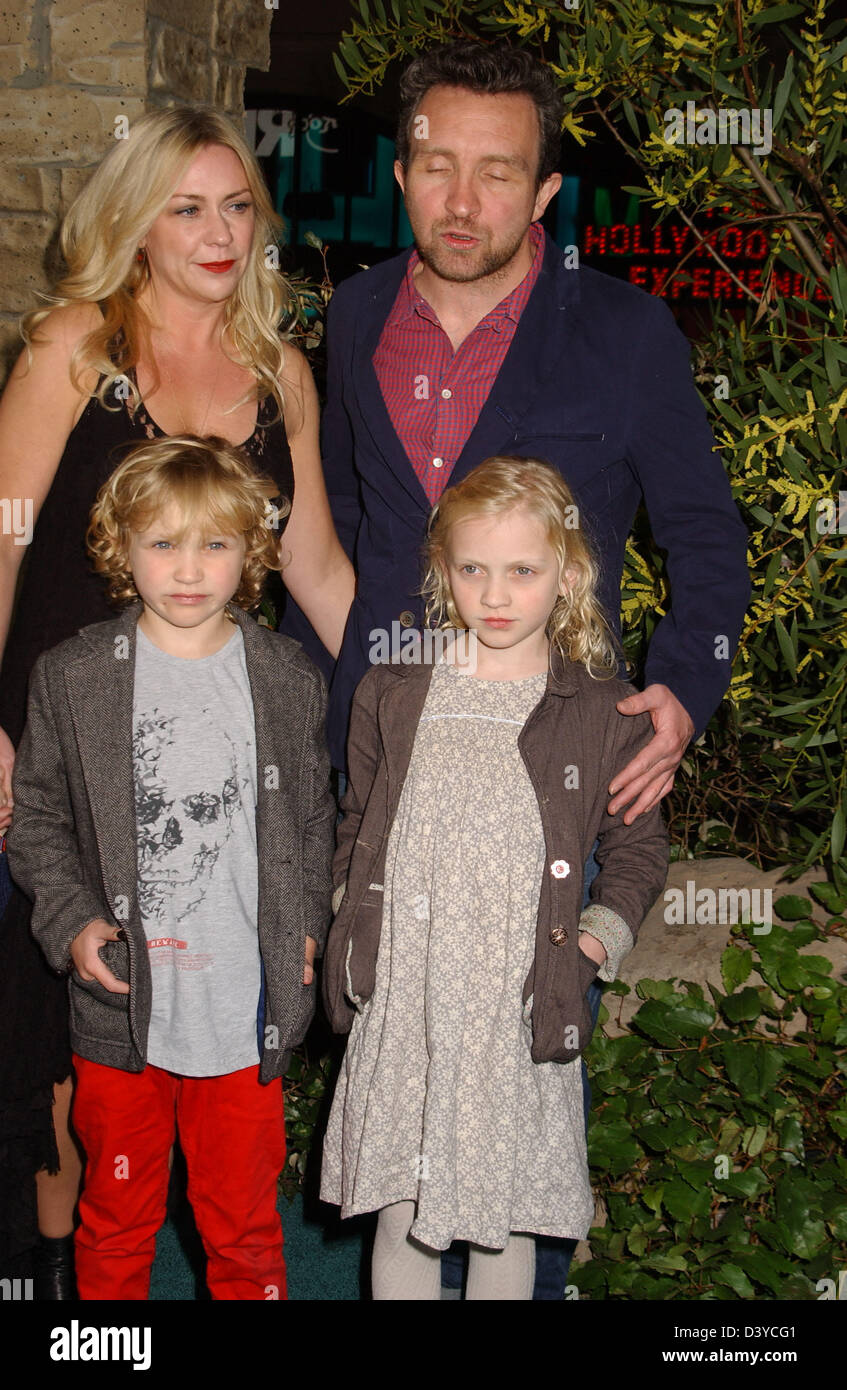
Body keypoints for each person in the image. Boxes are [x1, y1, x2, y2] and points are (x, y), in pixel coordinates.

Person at [280, 38, 750, 1297]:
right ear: (401, 169)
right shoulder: (360, 310)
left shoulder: (623, 331)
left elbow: (707, 543)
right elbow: (353, 534)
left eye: (498, 172)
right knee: (397, 1082)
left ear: (544, 192)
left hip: (549, 784)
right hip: (389, 774)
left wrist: (682, 695)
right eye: (437, 164)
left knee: (520, 1093)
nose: (462, 199)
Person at [0, 103, 354, 1296]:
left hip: (207, 749)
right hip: (59, 741)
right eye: (184, 206)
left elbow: (317, 576)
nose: (215, 231)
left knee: (158, 1021)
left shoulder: (280, 374)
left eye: (236, 204)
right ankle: (60, 1289)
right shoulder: (74, 349)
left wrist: (422, 704)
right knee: (56, 1042)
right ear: (136, 221)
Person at [319, 456, 668, 1300]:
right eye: (472, 569)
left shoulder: (598, 709)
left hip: (516, 1004)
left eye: (523, 570)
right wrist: (347, 924)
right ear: (442, 571)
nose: (496, 593)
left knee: (501, 1214)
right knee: (401, 1205)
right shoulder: (394, 691)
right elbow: (355, 823)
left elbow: (637, 849)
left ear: (568, 574)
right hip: (410, 997)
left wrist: (590, 943)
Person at [6, 435, 335, 1300]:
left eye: (215, 544)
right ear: (121, 547)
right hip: (120, 1016)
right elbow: (36, 816)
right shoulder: (74, 677)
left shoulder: (288, 679)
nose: (188, 570)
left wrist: (304, 930)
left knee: (246, 1232)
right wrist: (72, 922)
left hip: (244, 1010)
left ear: (253, 552)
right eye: (162, 543)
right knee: (114, 1224)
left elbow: (311, 816)